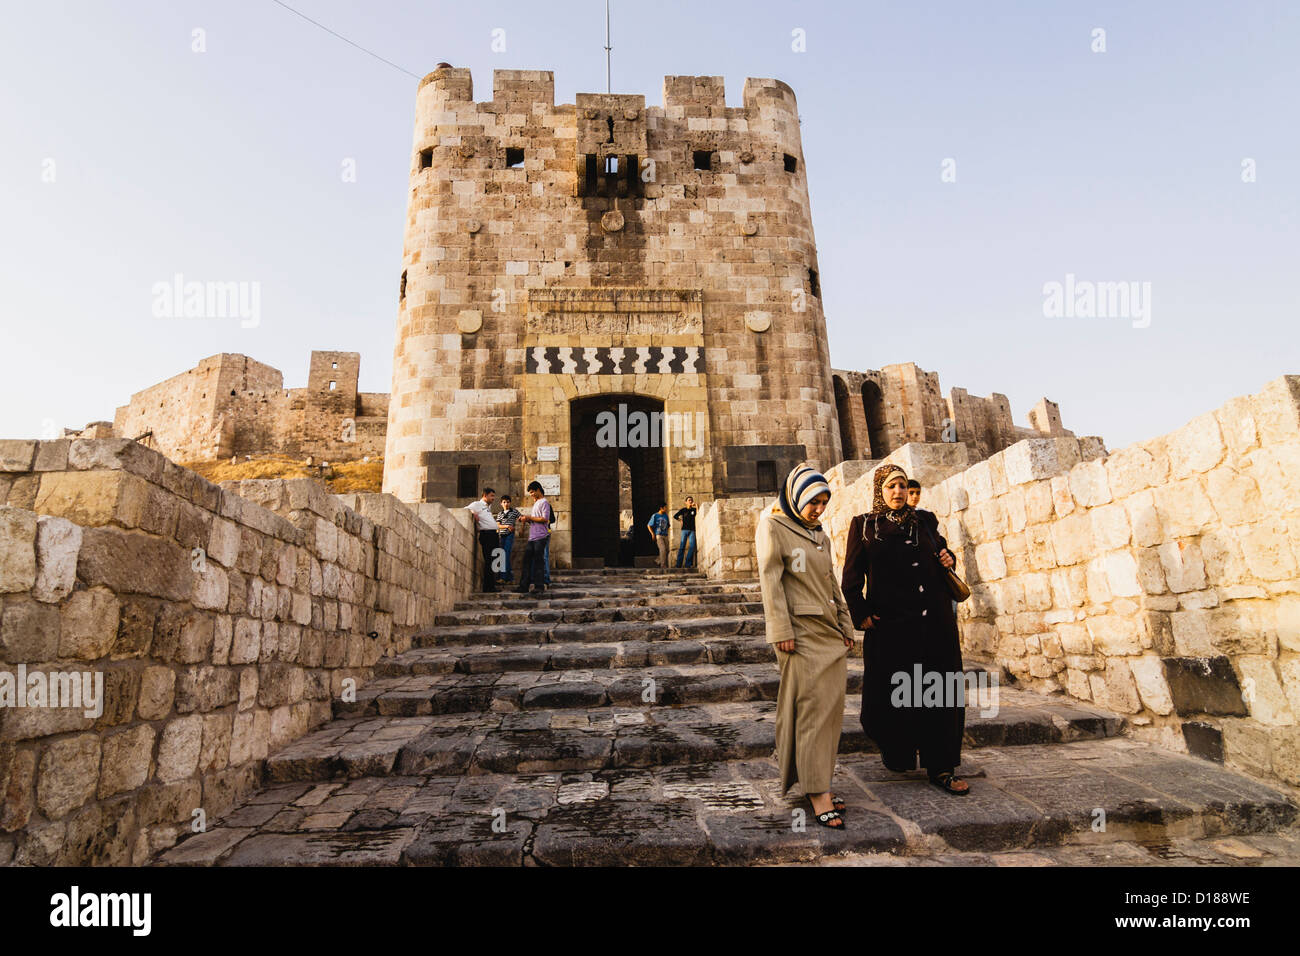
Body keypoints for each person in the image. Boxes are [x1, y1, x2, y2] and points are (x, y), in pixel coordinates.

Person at [841, 463, 969, 796]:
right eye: (890, 487)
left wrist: (948, 558)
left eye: (901, 485)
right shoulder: (864, 526)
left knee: (940, 693)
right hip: (893, 628)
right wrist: (862, 614)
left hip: (936, 623)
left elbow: (942, 550)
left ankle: (942, 766)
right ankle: (898, 752)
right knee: (896, 694)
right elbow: (851, 580)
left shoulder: (925, 520)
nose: (897, 492)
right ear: (879, 491)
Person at [756, 463, 856, 829]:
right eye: (814, 501)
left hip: (828, 633)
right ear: (797, 496)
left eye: (825, 501)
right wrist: (780, 629)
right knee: (812, 712)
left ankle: (819, 781)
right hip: (798, 634)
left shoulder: (820, 535)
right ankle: (817, 793)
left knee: (829, 713)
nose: (819, 508)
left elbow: (831, 582)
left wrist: (845, 625)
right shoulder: (773, 526)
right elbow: (771, 580)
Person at [516, 481, 552, 596]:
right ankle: (524, 586)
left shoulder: (544, 502)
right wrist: (526, 519)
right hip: (532, 537)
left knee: (538, 561)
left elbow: (544, 519)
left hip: (540, 536)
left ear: (537, 490)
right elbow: (535, 519)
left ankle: (539, 586)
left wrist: (529, 517)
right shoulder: (536, 503)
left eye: (532, 492)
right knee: (526, 561)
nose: (531, 494)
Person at [466, 487, 500, 593]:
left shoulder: (487, 507)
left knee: (494, 561)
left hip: (493, 535)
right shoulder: (477, 504)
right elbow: (466, 509)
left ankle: (492, 585)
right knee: (489, 560)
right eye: (492, 496)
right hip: (487, 535)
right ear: (485, 495)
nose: (493, 498)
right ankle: (488, 587)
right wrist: (473, 512)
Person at [496, 494, 520, 585]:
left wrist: (520, 529)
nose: (506, 504)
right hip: (502, 536)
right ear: (501, 503)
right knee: (503, 556)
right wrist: (507, 526)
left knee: (505, 555)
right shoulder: (500, 514)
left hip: (510, 535)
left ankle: (503, 578)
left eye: (508, 502)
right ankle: (509, 578)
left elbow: (521, 518)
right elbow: (498, 525)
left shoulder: (514, 511)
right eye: (504, 502)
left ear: (510, 503)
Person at [673, 496, 698, 569]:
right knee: (682, 547)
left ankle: (688, 563)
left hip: (692, 530)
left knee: (692, 546)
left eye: (691, 500)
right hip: (684, 530)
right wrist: (680, 520)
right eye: (689, 500)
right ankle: (678, 564)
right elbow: (675, 516)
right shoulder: (683, 510)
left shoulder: (694, 510)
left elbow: (698, 514)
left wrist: (696, 506)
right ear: (686, 502)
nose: (690, 501)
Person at [647, 502, 670, 569]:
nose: (666, 509)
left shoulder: (666, 515)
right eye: (665, 507)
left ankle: (658, 560)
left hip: (665, 535)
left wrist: (666, 531)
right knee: (662, 549)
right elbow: (649, 525)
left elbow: (668, 525)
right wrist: (653, 534)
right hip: (658, 535)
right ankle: (663, 565)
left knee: (667, 550)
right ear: (661, 508)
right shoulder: (655, 516)